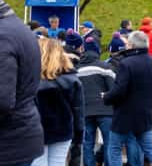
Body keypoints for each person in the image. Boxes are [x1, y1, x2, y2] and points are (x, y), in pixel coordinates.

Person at [105, 31, 152, 166]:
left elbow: (119, 90)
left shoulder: (126, 63)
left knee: (114, 148)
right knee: (150, 149)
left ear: (131, 45)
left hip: (124, 116)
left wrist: (106, 97)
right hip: (145, 114)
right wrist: (151, 110)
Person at [33, 37, 83, 166]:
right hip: (63, 129)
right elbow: (78, 109)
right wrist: (78, 136)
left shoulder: (30, 80)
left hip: (36, 131)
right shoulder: (72, 79)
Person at [76, 37, 114, 166]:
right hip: (106, 111)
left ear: (83, 50)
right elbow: (113, 90)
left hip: (86, 111)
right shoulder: (105, 67)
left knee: (88, 144)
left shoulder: (77, 69)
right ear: (97, 50)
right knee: (109, 143)